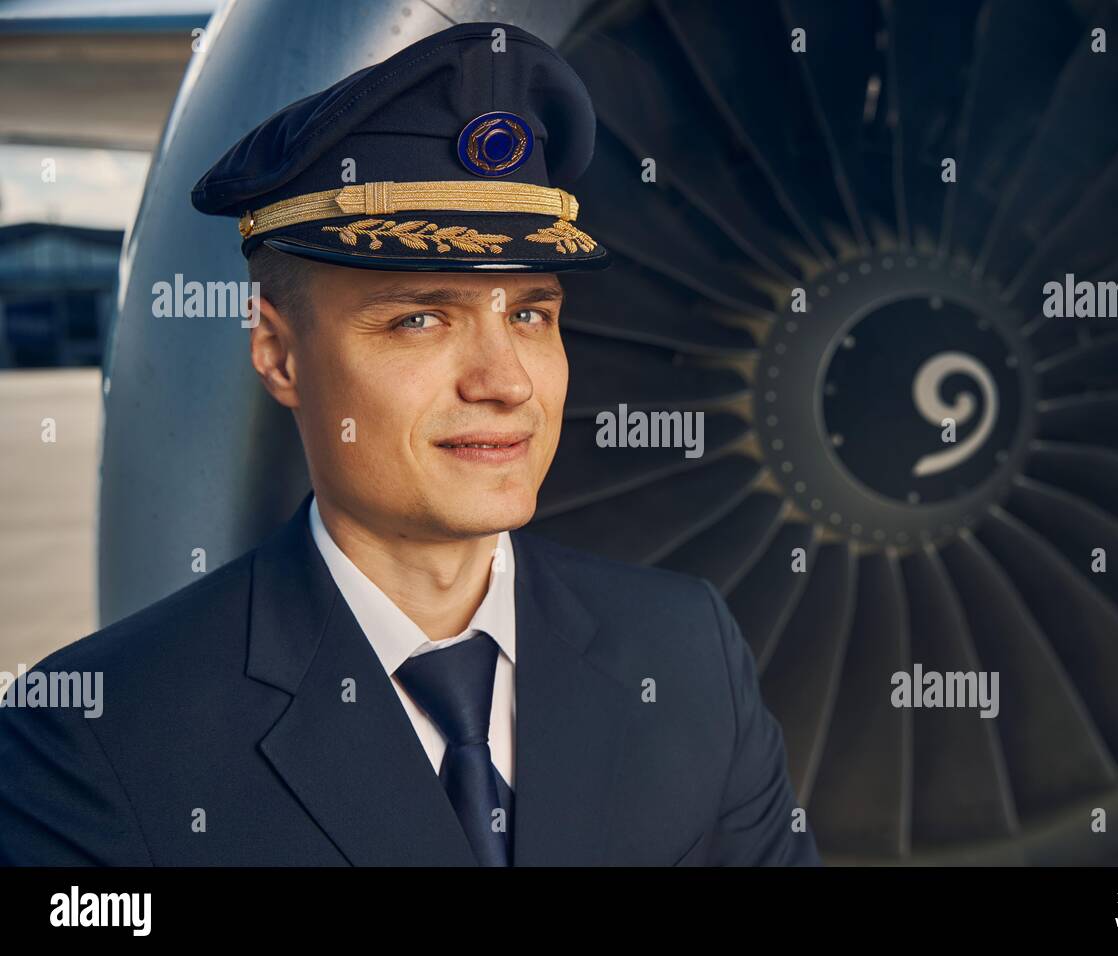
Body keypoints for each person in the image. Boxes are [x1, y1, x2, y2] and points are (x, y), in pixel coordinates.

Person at [0, 21, 820, 867]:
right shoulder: (95, 741)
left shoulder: (690, 654)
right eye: (421, 319)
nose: (505, 382)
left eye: (530, 314)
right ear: (278, 353)